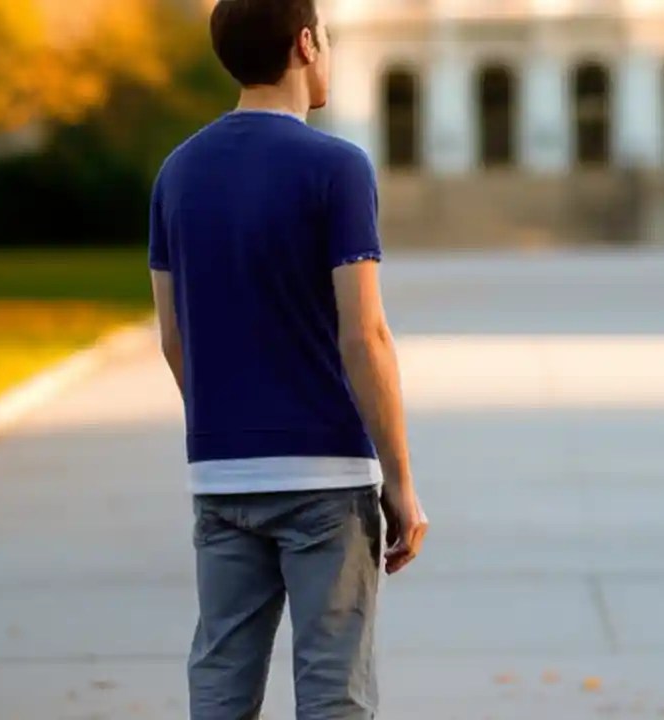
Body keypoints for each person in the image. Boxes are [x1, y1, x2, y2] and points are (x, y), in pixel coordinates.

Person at [147, 1, 428, 717]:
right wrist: (400, 480)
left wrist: (226, 428)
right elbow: (363, 334)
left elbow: (172, 335)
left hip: (220, 476)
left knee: (220, 681)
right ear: (305, 44)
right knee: (334, 691)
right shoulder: (337, 167)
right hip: (325, 478)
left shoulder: (177, 173)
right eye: (327, 39)